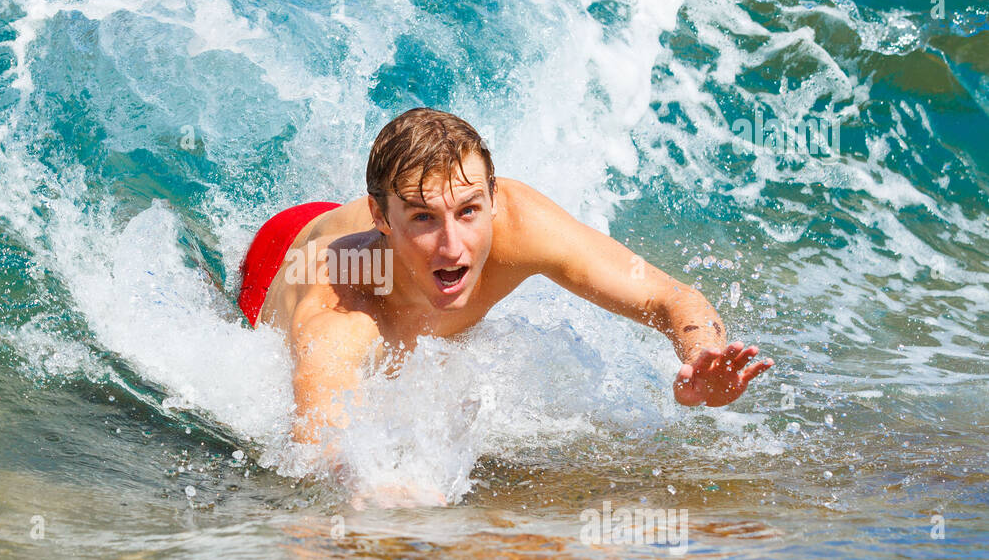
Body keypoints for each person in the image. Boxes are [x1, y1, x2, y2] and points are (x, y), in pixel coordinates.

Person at [237, 108, 773, 446]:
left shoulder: (519, 222)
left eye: (469, 211)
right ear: (382, 218)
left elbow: (670, 296)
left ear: (493, 198)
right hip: (282, 249)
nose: (453, 247)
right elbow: (318, 438)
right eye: (424, 218)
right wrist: (374, 492)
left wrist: (699, 354)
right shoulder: (342, 302)